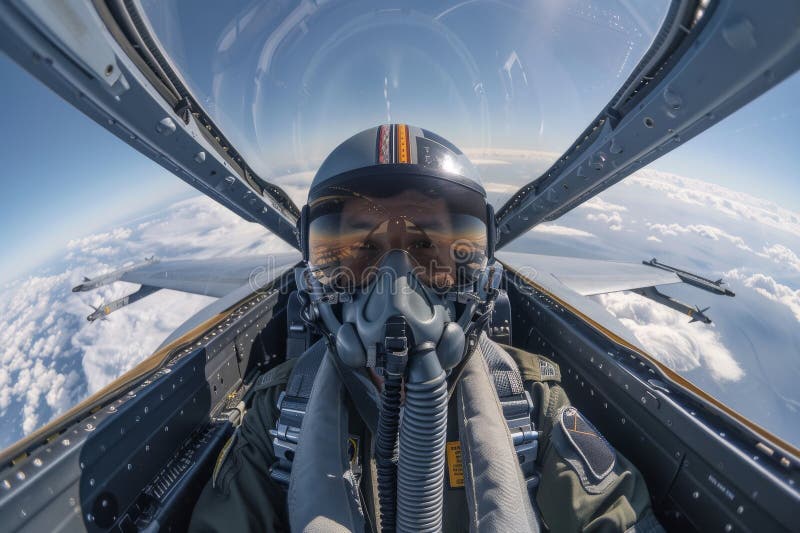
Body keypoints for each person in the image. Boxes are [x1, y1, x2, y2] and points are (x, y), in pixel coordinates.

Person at [190, 124, 663, 532]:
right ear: (316, 280)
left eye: (427, 248)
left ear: (481, 276)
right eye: (360, 250)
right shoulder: (277, 414)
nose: (396, 286)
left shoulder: (529, 402)